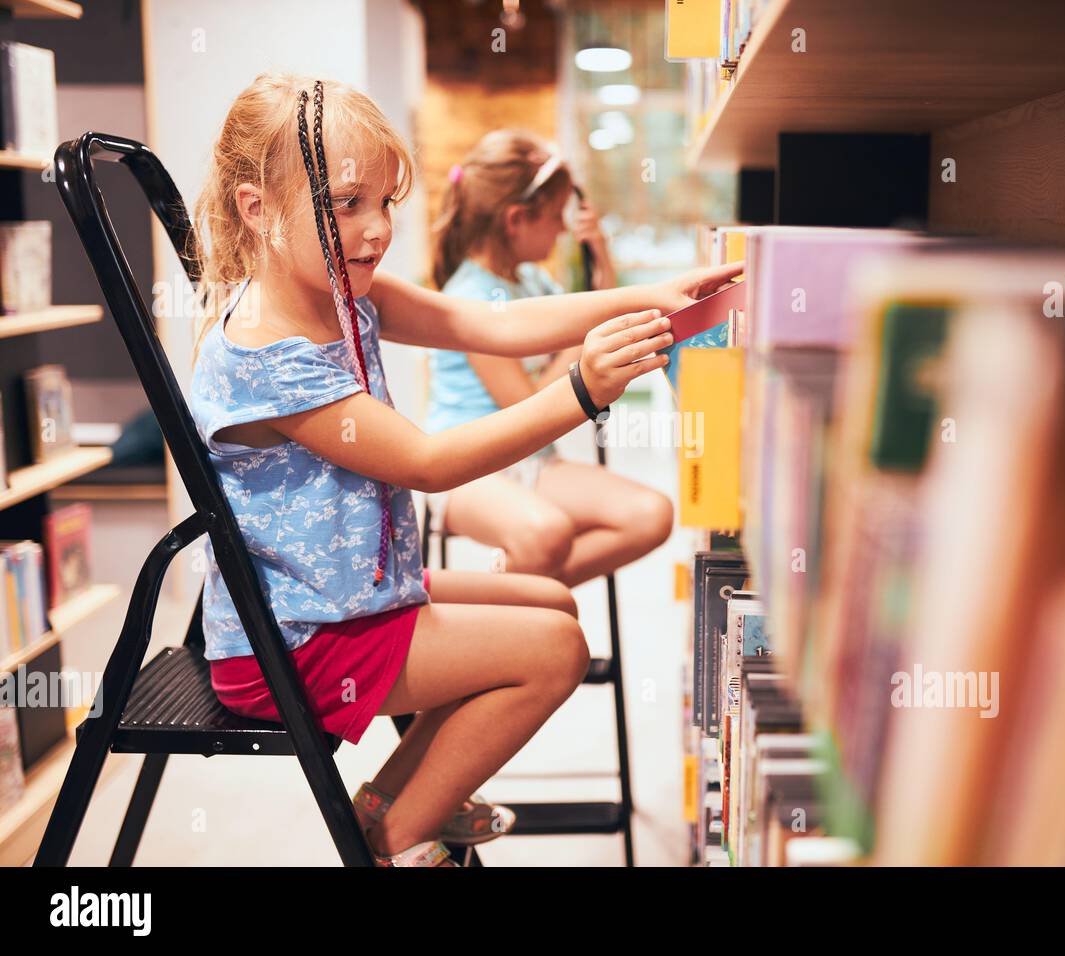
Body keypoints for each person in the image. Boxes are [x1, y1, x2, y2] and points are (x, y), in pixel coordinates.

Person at [186, 74, 741, 866]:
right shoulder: (269, 360)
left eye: (385, 202)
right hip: (296, 643)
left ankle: (385, 805)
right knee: (555, 653)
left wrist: (648, 295)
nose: (377, 229)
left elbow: (491, 320)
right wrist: (583, 390)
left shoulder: (345, 292)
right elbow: (429, 462)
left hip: (346, 599)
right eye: (348, 204)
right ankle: (400, 841)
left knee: (550, 598)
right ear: (256, 209)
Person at [426, 130, 673, 584]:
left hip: (534, 461)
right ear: (517, 219)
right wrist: (586, 351)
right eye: (557, 216)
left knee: (651, 515)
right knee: (545, 534)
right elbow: (526, 405)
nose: (563, 228)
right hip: (467, 468)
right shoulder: (471, 298)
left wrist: (599, 253)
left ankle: (510, 589)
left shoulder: (529, 280)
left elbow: (599, 317)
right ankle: (511, 604)